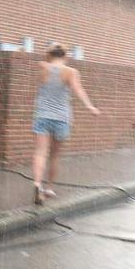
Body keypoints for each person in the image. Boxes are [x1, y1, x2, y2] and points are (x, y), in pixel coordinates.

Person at [32, 43, 100, 205]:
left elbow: (43, 80)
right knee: (54, 155)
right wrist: (90, 106)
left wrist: (46, 60)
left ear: (50, 55)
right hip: (61, 118)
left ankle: (36, 183)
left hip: (42, 115)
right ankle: (49, 188)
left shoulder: (43, 68)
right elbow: (78, 90)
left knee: (40, 152)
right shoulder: (70, 72)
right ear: (65, 56)